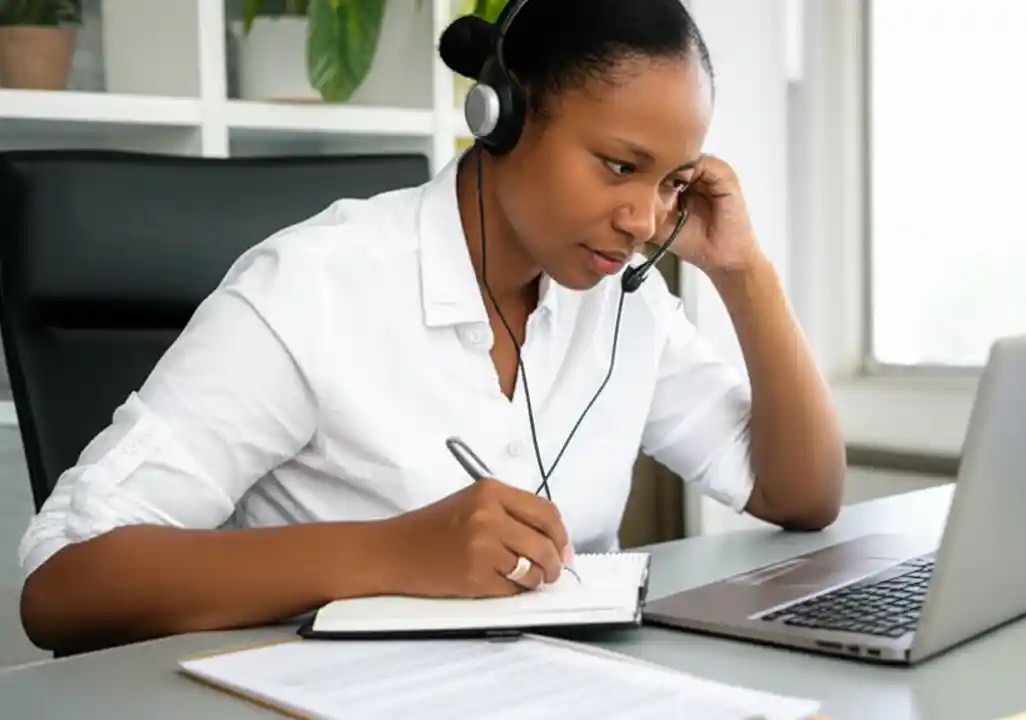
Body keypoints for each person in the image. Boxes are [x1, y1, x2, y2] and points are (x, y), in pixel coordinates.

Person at [17, 0, 845, 655]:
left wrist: (745, 273)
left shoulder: (621, 303)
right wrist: (397, 553)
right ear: (504, 117)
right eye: (619, 166)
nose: (642, 217)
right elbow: (62, 584)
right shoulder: (312, 289)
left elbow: (799, 493)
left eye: (672, 182)